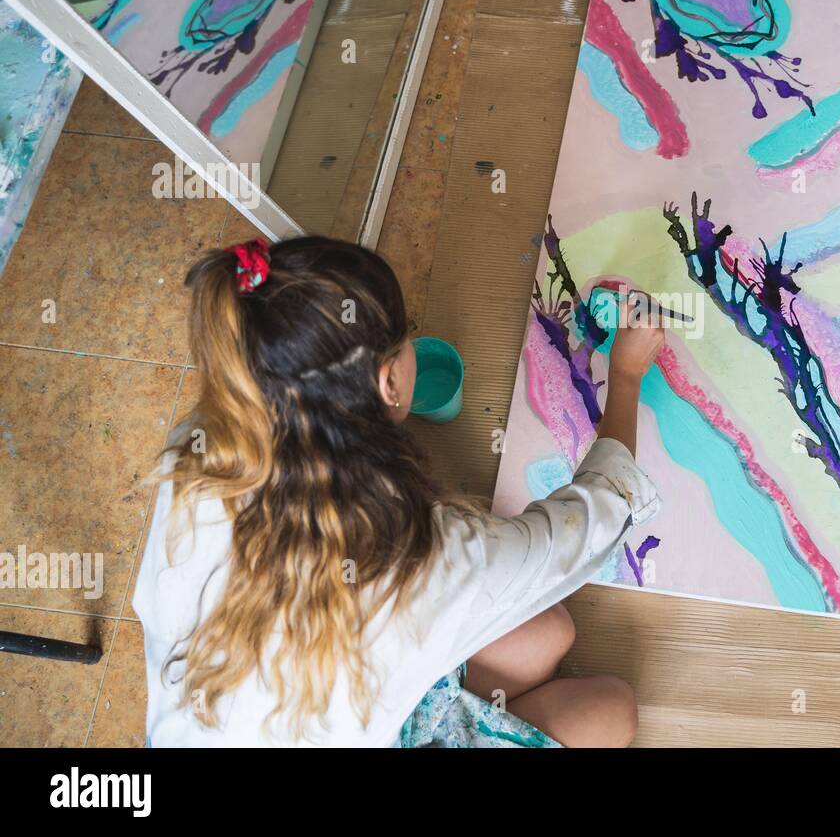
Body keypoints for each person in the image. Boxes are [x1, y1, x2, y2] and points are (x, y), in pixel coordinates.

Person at [134, 236, 663, 746]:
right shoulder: (421, 561)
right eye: (407, 332)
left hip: (296, 706)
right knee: (612, 710)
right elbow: (592, 520)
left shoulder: (202, 446)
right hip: (343, 701)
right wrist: (626, 377)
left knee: (549, 633)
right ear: (389, 382)